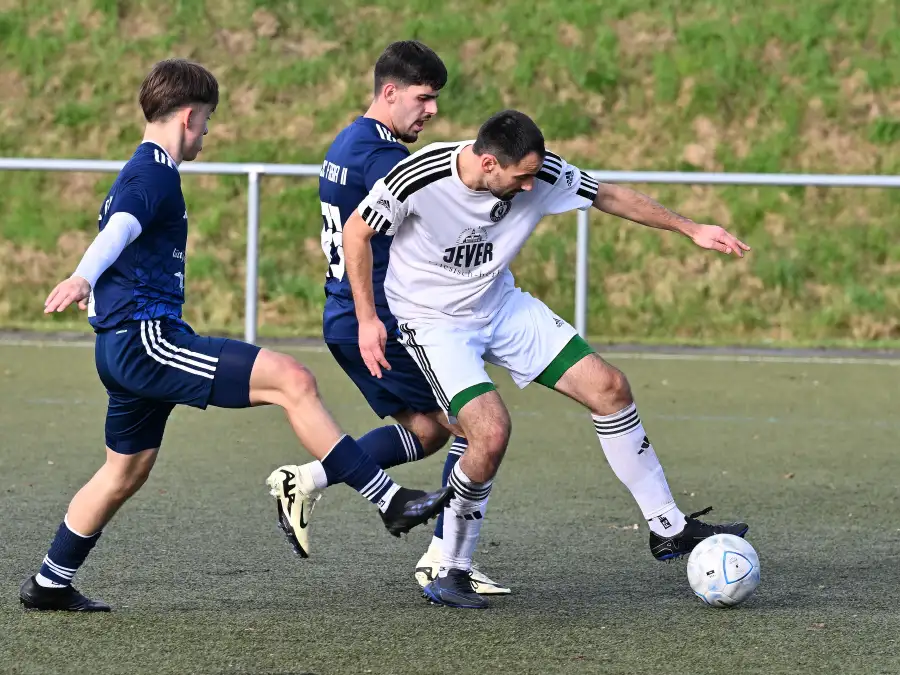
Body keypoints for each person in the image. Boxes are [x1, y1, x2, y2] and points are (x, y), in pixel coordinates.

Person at [19, 59, 450, 613]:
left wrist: (91, 279)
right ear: (188, 117)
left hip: (124, 346)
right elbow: (122, 227)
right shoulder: (153, 173)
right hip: (147, 342)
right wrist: (83, 275)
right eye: (207, 121)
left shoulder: (140, 168)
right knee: (292, 380)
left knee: (124, 471)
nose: (207, 133)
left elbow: (123, 230)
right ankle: (389, 500)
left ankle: (50, 582)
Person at [342, 109, 751, 609]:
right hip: (433, 323)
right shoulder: (419, 176)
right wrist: (367, 318)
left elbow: (607, 195)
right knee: (489, 432)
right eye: (522, 178)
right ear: (488, 164)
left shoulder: (540, 172)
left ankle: (669, 528)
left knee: (609, 388)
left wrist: (690, 228)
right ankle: (450, 567)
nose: (533, 187)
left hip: (499, 305)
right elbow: (357, 232)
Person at [265, 41, 508, 595]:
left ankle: (307, 479)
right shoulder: (384, 160)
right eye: (423, 98)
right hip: (378, 319)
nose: (433, 111)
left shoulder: (349, 140)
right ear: (390, 92)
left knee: (426, 431)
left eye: (436, 99)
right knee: (476, 428)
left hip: (348, 315)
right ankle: (445, 560)